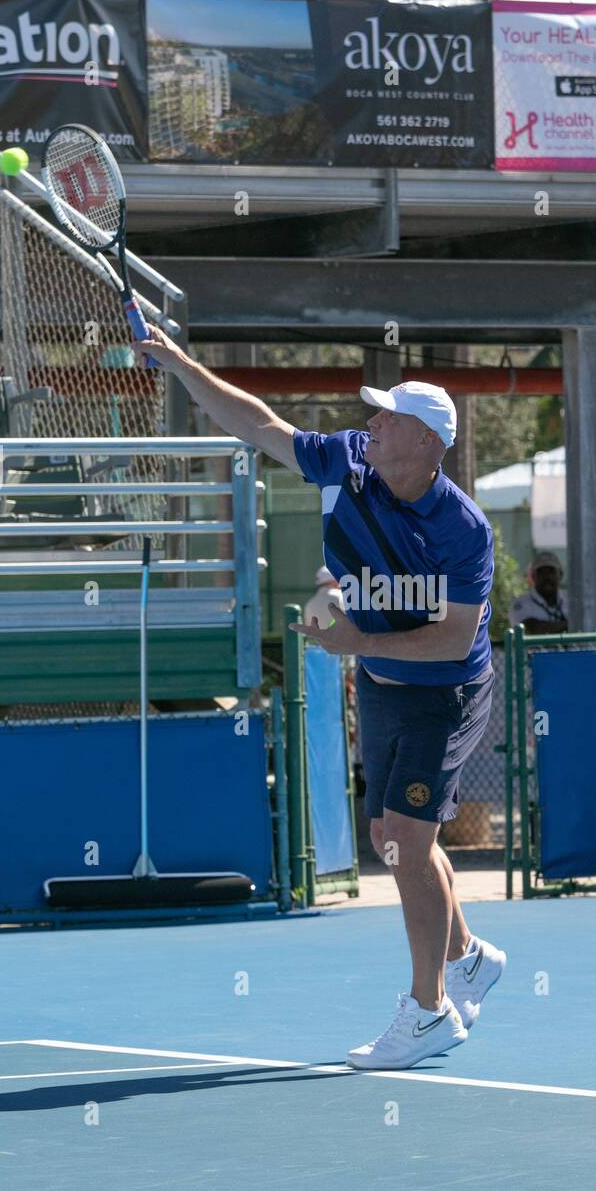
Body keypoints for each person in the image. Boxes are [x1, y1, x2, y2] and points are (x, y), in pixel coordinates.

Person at [131, 331, 507, 1071]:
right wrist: (176, 360)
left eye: (387, 418)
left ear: (426, 442)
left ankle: (429, 1011)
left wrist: (354, 644)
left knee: (407, 836)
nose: (370, 424)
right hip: (381, 687)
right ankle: (469, 960)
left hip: (445, 694)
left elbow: (455, 642)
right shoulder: (349, 460)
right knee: (394, 842)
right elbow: (258, 424)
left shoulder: (463, 531)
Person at [509, 551, 569, 635]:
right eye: (541, 572)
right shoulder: (520, 604)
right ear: (533, 577)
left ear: (561, 575)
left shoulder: (570, 599)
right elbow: (532, 630)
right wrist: (569, 623)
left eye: (551, 571)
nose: (546, 577)